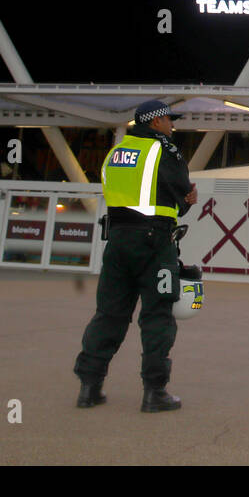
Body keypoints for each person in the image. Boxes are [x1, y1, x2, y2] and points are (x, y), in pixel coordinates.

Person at [73, 100, 197, 412]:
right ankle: (154, 392)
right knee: (157, 315)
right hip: (155, 243)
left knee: (109, 313)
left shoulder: (115, 153)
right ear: (155, 122)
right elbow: (180, 193)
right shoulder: (164, 149)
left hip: (117, 241)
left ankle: (89, 387)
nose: (172, 125)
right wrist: (188, 202)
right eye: (169, 119)